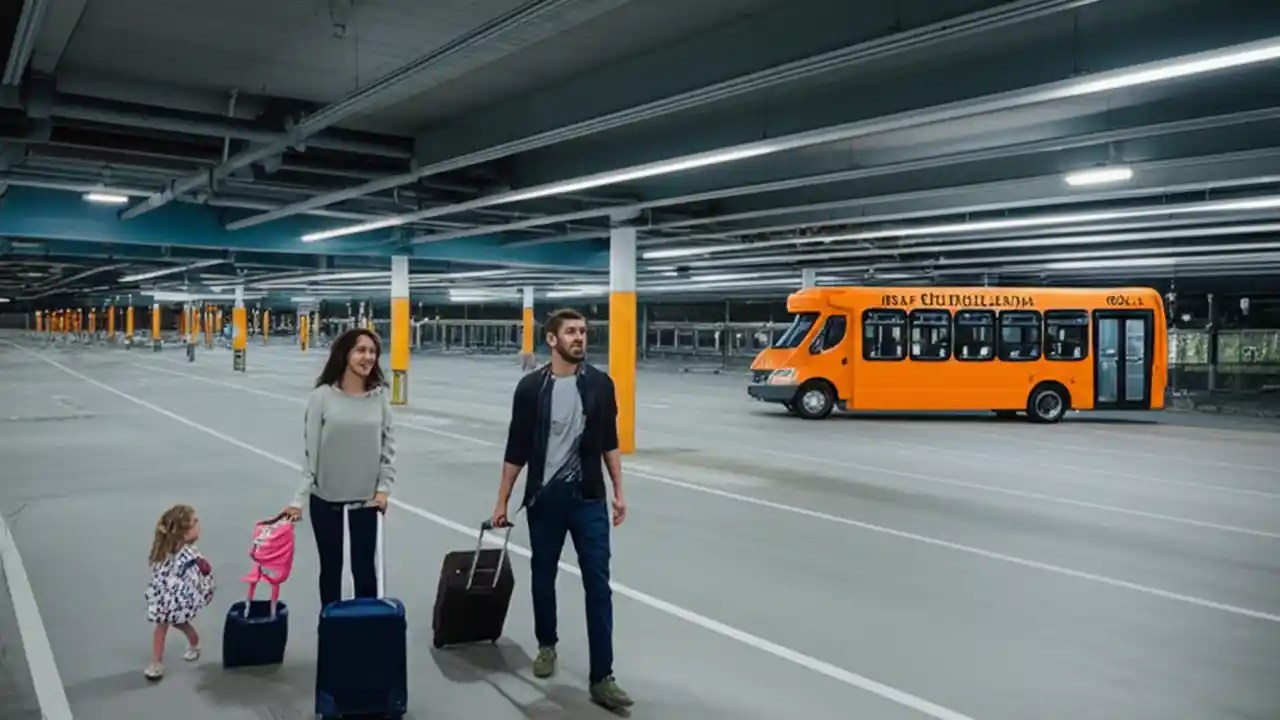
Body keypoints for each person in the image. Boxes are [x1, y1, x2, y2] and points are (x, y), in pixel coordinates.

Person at [491, 308, 633, 711]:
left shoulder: (601, 385)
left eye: (584, 332)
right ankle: (546, 644)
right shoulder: (530, 389)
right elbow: (516, 448)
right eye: (571, 332)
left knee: (598, 585)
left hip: (589, 499)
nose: (580, 338)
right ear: (551, 340)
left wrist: (619, 491)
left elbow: (609, 440)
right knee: (543, 575)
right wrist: (502, 499)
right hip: (544, 500)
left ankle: (602, 676)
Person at [280, 327, 396, 608]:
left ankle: (365, 632)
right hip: (326, 497)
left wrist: (383, 490)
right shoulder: (322, 397)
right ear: (345, 354)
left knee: (365, 572)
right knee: (331, 571)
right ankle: (331, 630)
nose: (367, 357)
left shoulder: (379, 398)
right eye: (360, 350)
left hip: (366, 500)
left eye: (372, 352)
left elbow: (388, 449)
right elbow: (311, 455)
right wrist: (298, 501)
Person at [144, 503, 215, 680]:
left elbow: (201, 573)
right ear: (184, 532)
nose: (199, 524)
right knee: (162, 626)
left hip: (179, 597)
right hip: (165, 596)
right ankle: (157, 661)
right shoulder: (166, 552)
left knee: (178, 623)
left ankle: (193, 643)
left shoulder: (189, 554)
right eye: (195, 522)